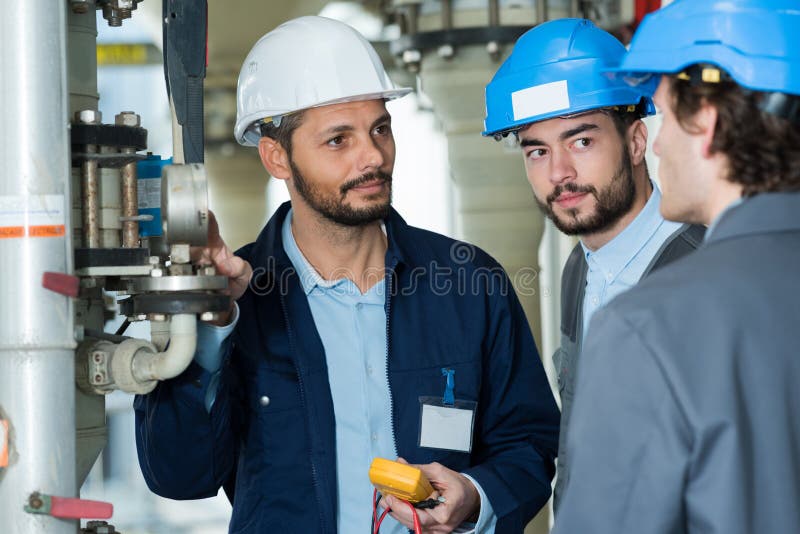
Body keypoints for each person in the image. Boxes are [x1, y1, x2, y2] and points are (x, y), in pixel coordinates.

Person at [134, 15, 560, 534]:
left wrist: (475, 496)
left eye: (380, 128)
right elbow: (180, 476)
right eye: (338, 140)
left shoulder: (470, 284)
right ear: (276, 157)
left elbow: (530, 444)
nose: (373, 156)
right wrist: (210, 327)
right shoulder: (238, 301)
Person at [553, 1, 800, 532]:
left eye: (663, 114)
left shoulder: (647, 327)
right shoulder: (584, 278)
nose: (658, 142)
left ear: (706, 123)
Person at [482, 18, 704, 508]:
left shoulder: (703, 275)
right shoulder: (579, 271)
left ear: (636, 141)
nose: (559, 173)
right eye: (537, 150)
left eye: (582, 141)